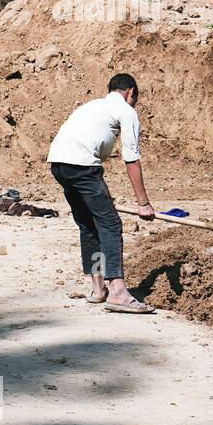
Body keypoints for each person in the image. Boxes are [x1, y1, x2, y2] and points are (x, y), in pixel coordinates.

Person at [47, 73, 157, 313]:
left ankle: (99, 290)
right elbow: (131, 158)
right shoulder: (126, 110)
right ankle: (117, 291)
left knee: (89, 225)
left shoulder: (93, 106)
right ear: (130, 93)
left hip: (58, 164)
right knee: (110, 224)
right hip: (82, 166)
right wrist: (143, 203)